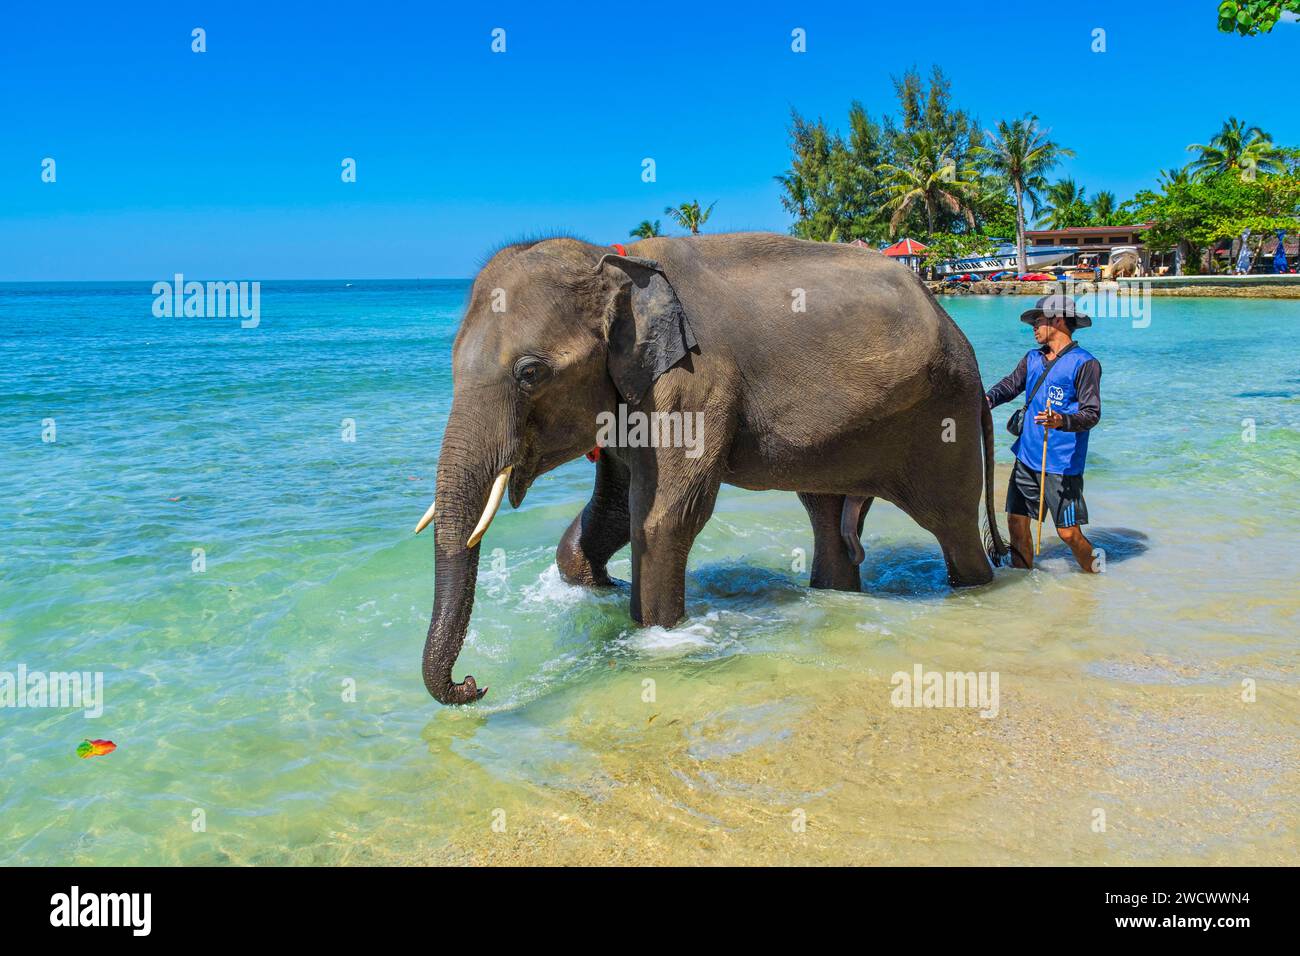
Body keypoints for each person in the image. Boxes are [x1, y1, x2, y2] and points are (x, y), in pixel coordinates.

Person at [986, 294, 1102, 572]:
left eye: (1038, 321)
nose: (1033, 328)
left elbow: (1092, 414)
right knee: (1016, 524)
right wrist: (985, 401)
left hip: (1061, 465)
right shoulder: (1032, 359)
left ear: (1057, 320)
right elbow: (1009, 386)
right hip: (1026, 457)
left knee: (1068, 534)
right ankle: (1021, 587)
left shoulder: (1085, 363)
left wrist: (1061, 420)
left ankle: (1097, 576)